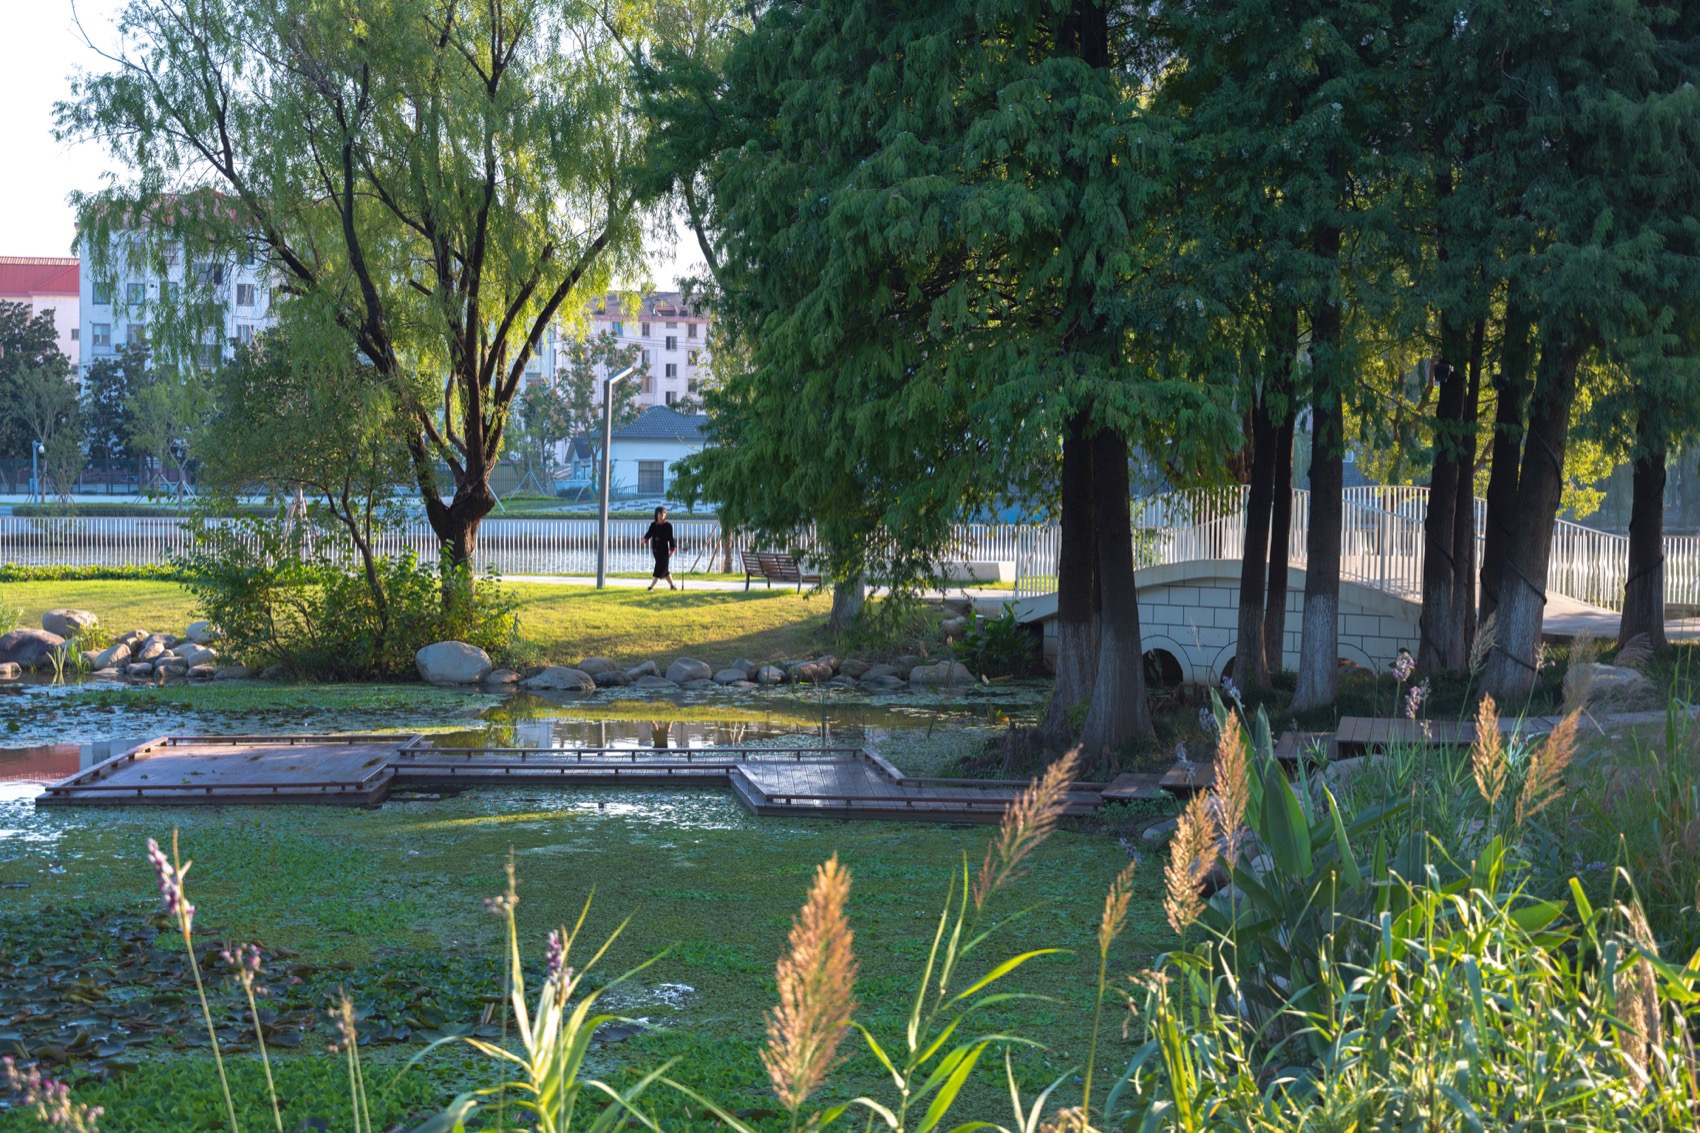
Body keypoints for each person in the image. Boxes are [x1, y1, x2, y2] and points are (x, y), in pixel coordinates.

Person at [642, 506, 678, 590]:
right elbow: (649, 534)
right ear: (656, 514)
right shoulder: (653, 525)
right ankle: (672, 586)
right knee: (664, 570)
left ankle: (651, 587)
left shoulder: (668, 526)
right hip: (656, 550)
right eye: (661, 513)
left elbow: (671, 538)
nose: (662, 515)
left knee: (659, 568)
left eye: (664, 513)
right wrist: (645, 539)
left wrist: (673, 549)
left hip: (664, 551)